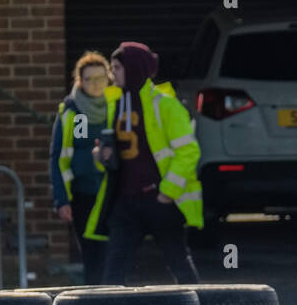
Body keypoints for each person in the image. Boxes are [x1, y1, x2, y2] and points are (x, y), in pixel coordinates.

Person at [86, 41, 202, 284]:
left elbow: (188, 152)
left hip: (160, 200)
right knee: (113, 271)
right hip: (126, 202)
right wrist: (101, 158)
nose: (111, 73)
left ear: (134, 68)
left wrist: (167, 193)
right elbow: (117, 156)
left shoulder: (166, 106)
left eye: (117, 67)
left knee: (179, 264)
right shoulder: (114, 105)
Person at [49, 51, 110, 284]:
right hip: (84, 193)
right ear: (79, 81)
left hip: (114, 192)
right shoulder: (75, 114)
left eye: (100, 78)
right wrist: (61, 199)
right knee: (92, 255)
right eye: (89, 79)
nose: (95, 84)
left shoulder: (117, 107)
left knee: (114, 253)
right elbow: (59, 156)